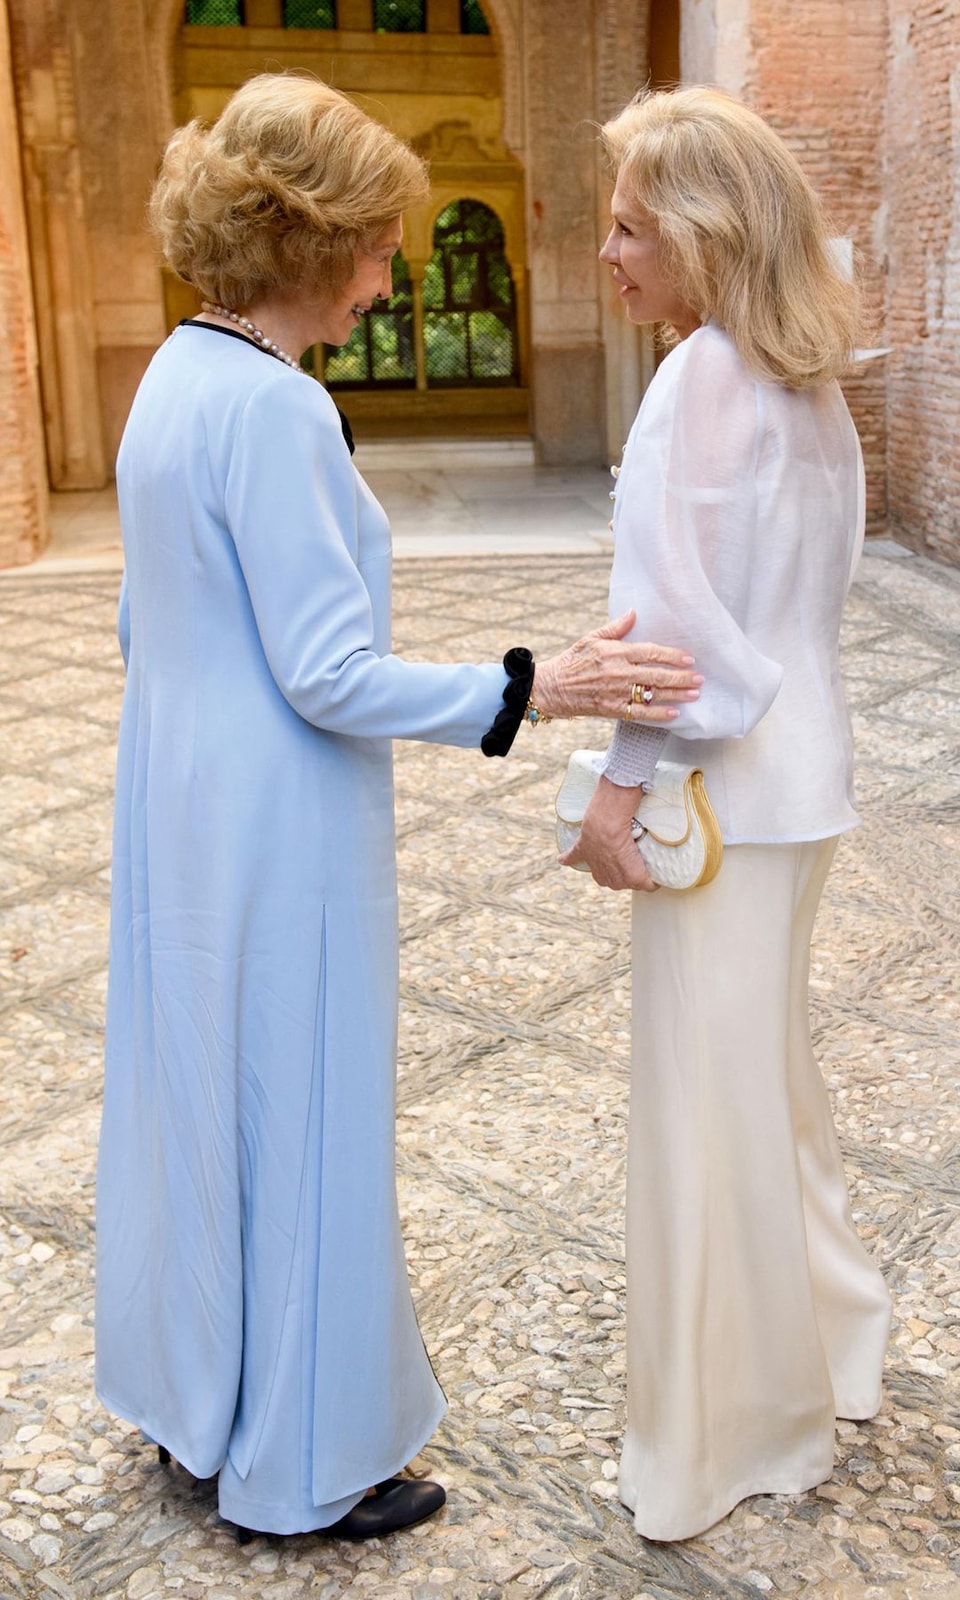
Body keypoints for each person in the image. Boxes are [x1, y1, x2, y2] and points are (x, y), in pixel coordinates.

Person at [94, 73, 703, 1544]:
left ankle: (206, 1410)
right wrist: (536, 682)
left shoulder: (170, 384)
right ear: (307, 243)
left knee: (200, 1107)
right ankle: (298, 1467)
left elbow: (144, 624)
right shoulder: (281, 412)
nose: (391, 273)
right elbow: (325, 674)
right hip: (281, 830)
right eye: (374, 243)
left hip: (177, 807)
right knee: (302, 1117)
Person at [561, 86, 892, 1541]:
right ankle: (829, 1349)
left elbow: (673, 632)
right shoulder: (806, 381)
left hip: (721, 801)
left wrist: (612, 796)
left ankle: (728, 1436)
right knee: (771, 1084)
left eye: (630, 227)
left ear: (699, 236)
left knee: (710, 1111)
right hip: (800, 794)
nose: (609, 255)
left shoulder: (701, 377)